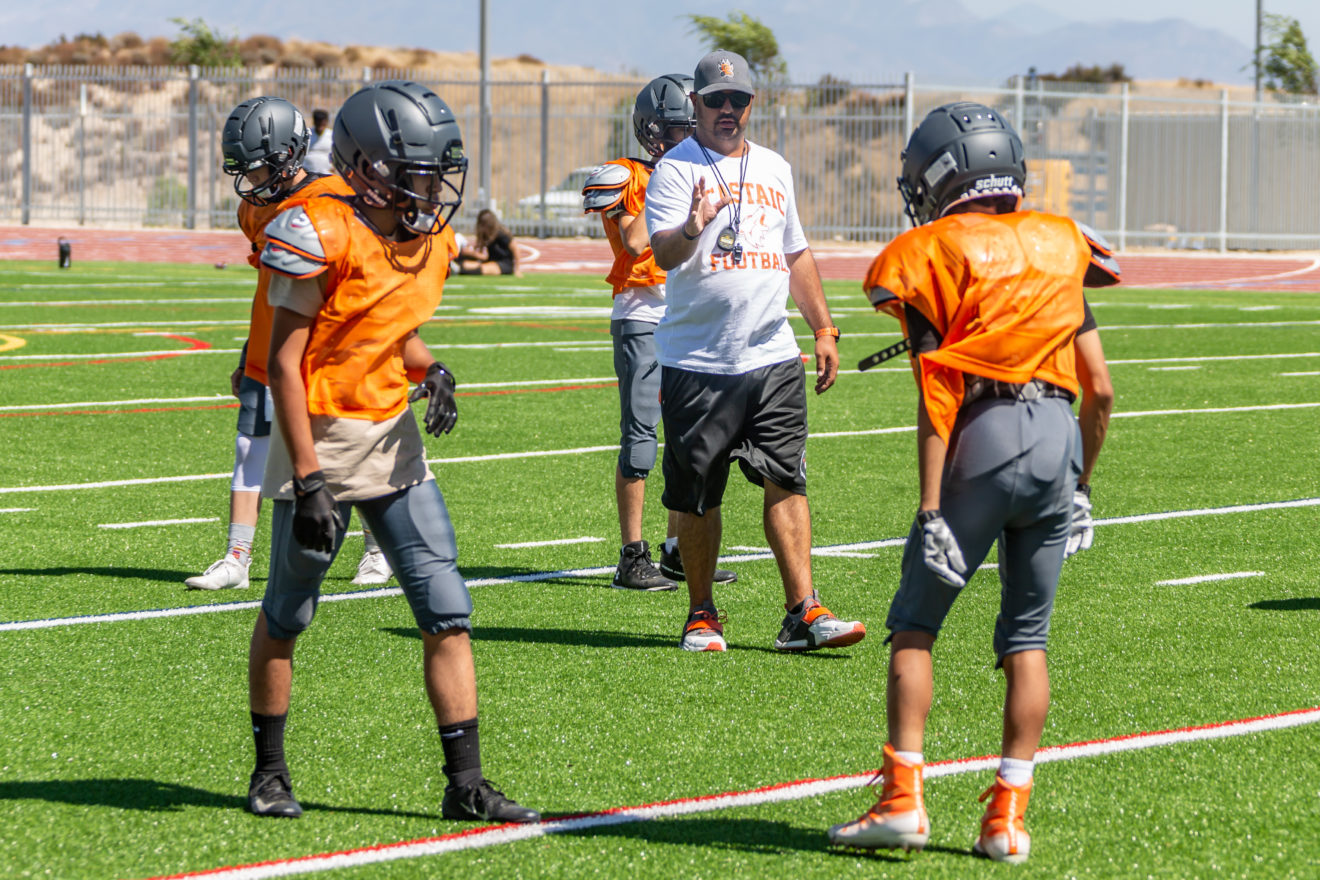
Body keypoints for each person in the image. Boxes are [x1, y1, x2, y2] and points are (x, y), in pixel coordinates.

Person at [827, 101, 1119, 862]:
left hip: (982, 436)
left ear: (937, 175)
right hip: (1058, 438)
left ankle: (901, 801)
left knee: (915, 625)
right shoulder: (1060, 241)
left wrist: (929, 509)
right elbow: (1102, 388)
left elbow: (936, 392)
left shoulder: (928, 250)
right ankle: (1007, 821)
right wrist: (1081, 484)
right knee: (1028, 639)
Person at [244, 80, 538, 824]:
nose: (434, 187)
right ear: (367, 167)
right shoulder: (316, 228)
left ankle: (464, 783)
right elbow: (286, 361)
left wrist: (428, 366)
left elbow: (386, 328)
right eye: (418, 170)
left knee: (446, 605)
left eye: (439, 170)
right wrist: (308, 478)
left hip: (392, 435)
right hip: (322, 436)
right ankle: (269, 771)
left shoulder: (432, 237)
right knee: (288, 610)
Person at [644, 49, 865, 653]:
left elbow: (796, 252)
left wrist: (823, 329)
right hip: (699, 361)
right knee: (696, 494)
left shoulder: (775, 168)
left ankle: (803, 612)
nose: (727, 110)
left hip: (772, 355)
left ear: (751, 104)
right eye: (715, 101)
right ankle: (701, 614)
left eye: (738, 100)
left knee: (786, 479)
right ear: (695, 104)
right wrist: (693, 227)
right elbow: (662, 254)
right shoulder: (674, 171)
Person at [189, 96, 393, 591]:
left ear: (289, 156)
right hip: (270, 346)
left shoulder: (333, 202)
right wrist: (249, 351)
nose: (251, 183)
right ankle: (237, 557)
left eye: (260, 170)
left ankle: (376, 550)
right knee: (248, 445)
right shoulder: (253, 211)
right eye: (247, 172)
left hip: (327, 349)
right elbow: (269, 289)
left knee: (346, 449)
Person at [580, 73, 736, 591]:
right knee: (642, 439)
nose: (679, 139)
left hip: (686, 319)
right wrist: (670, 186)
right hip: (642, 314)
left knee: (689, 441)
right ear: (650, 132)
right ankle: (631, 556)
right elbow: (632, 242)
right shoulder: (627, 175)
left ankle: (675, 549)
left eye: (685, 130)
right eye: (672, 131)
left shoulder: (699, 166)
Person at [455, 208, 518, 275]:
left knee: (483, 268)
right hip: (490, 261)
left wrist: (517, 269)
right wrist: (471, 253)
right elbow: (484, 255)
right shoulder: (486, 236)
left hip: (503, 264)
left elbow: (515, 248)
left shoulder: (501, 234)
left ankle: (458, 271)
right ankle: (456, 268)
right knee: (466, 264)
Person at [302, 109, 333, 175]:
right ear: (314, 122)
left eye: (322, 122)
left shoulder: (331, 135)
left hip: (327, 173)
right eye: (318, 122)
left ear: (326, 122)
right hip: (308, 173)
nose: (320, 125)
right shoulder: (307, 134)